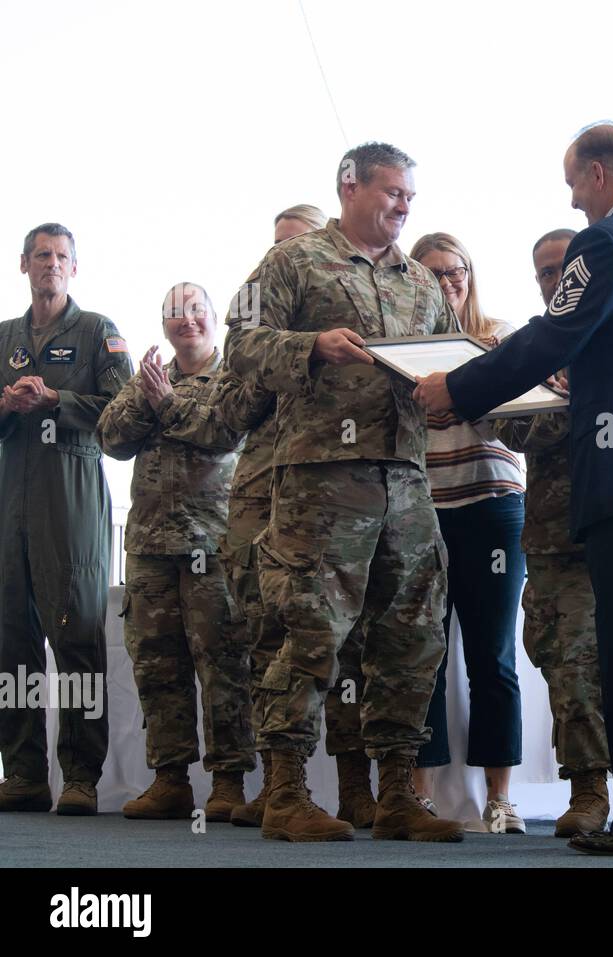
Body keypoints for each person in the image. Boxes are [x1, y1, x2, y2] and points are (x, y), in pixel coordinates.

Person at [413, 123, 613, 854]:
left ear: (595, 173)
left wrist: (457, 387)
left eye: (572, 184)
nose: (573, 200)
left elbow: (550, 336)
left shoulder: (608, 243)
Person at [225, 141, 461, 843]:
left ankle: (397, 792)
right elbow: (238, 343)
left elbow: (449, 359)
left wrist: (456, 394)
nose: (403, 206)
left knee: (411, 637)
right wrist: (309, 347)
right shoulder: (293, 262)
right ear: (350, 186)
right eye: (392, 192)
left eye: (410, 198)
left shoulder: (422, 282)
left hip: (406, 482)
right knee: (308, 633)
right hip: (321, 482)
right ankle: (287, 791)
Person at [209, 203, 378, 831]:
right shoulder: (262, 328)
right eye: (278, 247)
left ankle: (357, 785)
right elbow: (228, 410)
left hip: (343, 492)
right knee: (273, 638)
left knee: (351, 645)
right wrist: (296, 357)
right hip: (264, 495)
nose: (285, 259)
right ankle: (284, 786)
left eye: (301, 247)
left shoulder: (366, 312)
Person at [97, 282, 253, 821]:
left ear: (213, 318)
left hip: (211, 545)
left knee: (222, 663)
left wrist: (168, 402)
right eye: (173, 313)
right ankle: (171, 780)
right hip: (148, 546)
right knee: (158, 667)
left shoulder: (234, 375)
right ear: (163, 324)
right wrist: (147, 395)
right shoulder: (148, 378)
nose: (185, 320)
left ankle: (229, 782)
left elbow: (225, 433)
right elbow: (110, 439)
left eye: (194, 311)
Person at [0, 224, 133, 816]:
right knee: (12, 644)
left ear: (74, 268)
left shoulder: (97, 332)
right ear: (23, 264)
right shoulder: (4, 336)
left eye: (61, 256)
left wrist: (57, 401)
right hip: (10, 501)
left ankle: (80, 775)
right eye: (41, 256)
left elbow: (125, 415)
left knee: (77, 637)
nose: (50, 264)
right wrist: (6, 404)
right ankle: (25, 774)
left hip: (71, 499)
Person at [493, 228, 612, 837]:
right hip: (555, 538)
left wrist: (576, 400)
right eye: (544, 271)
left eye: (565, 266)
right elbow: (511, 431)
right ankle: (588, 789)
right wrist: (566, 410)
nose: (555, 277)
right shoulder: (529, 348)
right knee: (566, 666)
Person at [408, 231, 527, 833]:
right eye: (432, 274)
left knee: (493, 655)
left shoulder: (500, 338)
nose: (448, 282)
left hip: (492, 507)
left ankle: (500, 797)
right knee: (421, 656)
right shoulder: (399, 350)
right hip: (422, 513)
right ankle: (419, 793)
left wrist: (467, 391)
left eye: (456, 272)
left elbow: (517, 418)